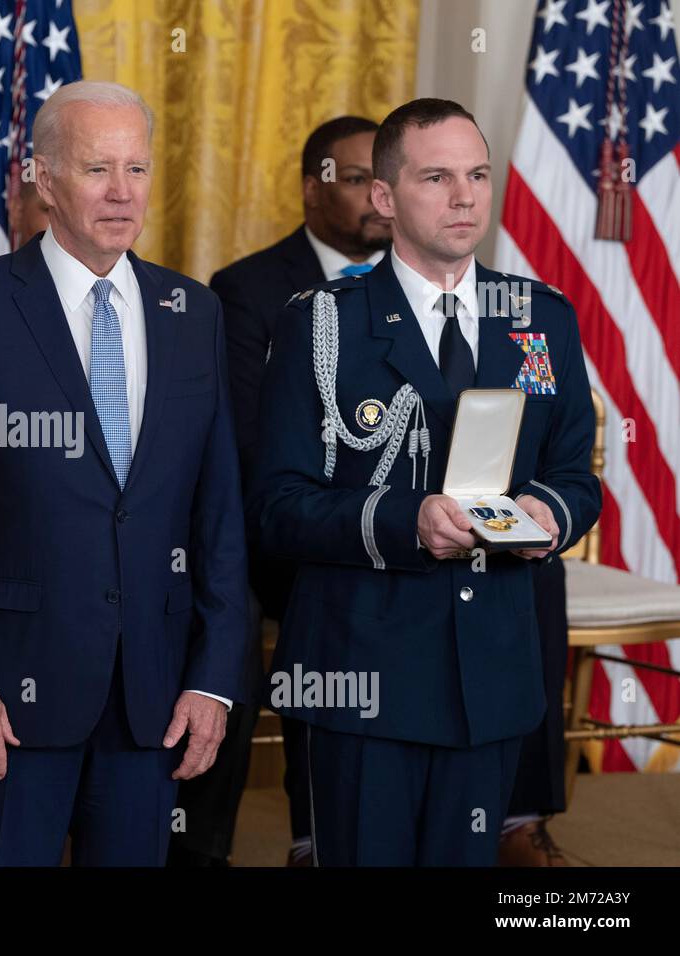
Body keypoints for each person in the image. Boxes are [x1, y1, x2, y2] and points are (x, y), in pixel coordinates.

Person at [0, 80, 253, 866]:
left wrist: (214, 679)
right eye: (98, 170)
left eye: (137, 169)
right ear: (44, 179)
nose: (123, 193)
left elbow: (220, 515)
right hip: (5, 702)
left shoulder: (194, 314)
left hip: (152, 700)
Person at [250, 98, 600, 866]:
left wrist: (547, 509)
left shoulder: (541, 318)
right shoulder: (321, 322)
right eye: (437, 177)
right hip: (364, 673)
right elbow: (276, 508)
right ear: (384, 197)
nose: (465, 196)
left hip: (494, 671)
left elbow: (576, 475)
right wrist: (410, 521)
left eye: (476, 174)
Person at [178, 116, 389, 867]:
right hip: (285, 529)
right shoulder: (248, 290)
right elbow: (246, 444)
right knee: (335, 589)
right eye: (359, 177)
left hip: (397, 525)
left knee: (510, 575)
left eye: (384, 177)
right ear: (314, 187)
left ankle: (498, 821)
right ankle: (317, 836)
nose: (377, 195)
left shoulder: (425, 282)